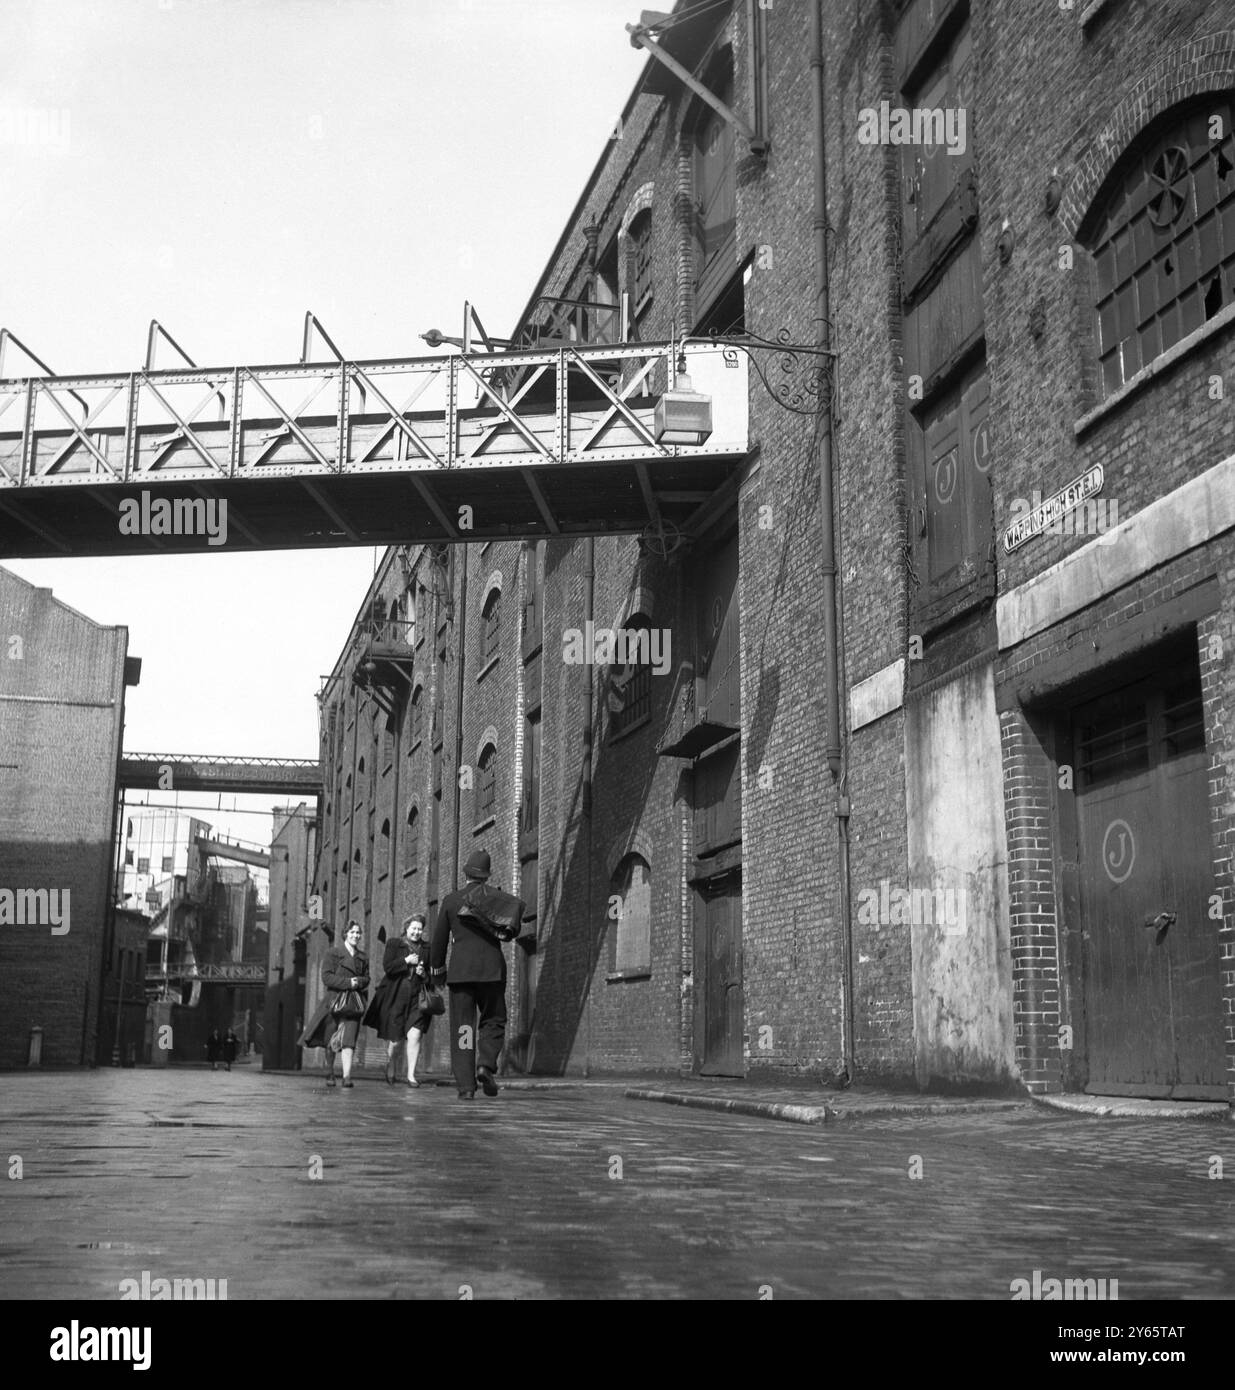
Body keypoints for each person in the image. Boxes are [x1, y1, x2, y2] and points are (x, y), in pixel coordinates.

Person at [430, 849, 510, 1100]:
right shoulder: (497, 898)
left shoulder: (451, 900)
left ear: (465, 873)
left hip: (461, 973)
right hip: (491, 971)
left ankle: (466, 1085)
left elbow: (439, 940)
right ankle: (485, 1064)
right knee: (493, 1020)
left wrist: (438, 972)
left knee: (464, 1027)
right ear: (487, 875)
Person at [298, 920, 370, 1088]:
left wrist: (358, 982)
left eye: (358, 933)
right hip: (334, 1001)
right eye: (352, 932)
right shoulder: (333, 953)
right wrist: (348, 983)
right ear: (345, 934)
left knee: (349, 1041)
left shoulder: (362, 957)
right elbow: (326, 977)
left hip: (353, 1004)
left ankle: (346, 1077)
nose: (355, 936)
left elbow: (367, 978)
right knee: (331, 1040)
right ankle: (330, 1072)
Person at [365, 914, 433, 1086]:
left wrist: (424, 974)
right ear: (406, 928)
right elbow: (388, 967)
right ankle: (391, 1066)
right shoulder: (395, 944)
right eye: (414, 928)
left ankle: (411, 1075)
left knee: (415, 1035)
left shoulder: (426, 948)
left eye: (420, 929)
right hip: (396, 996)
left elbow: (432, 976)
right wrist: (406, 960)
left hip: (417, 997)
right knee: (395, 1040)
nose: (417, 932)